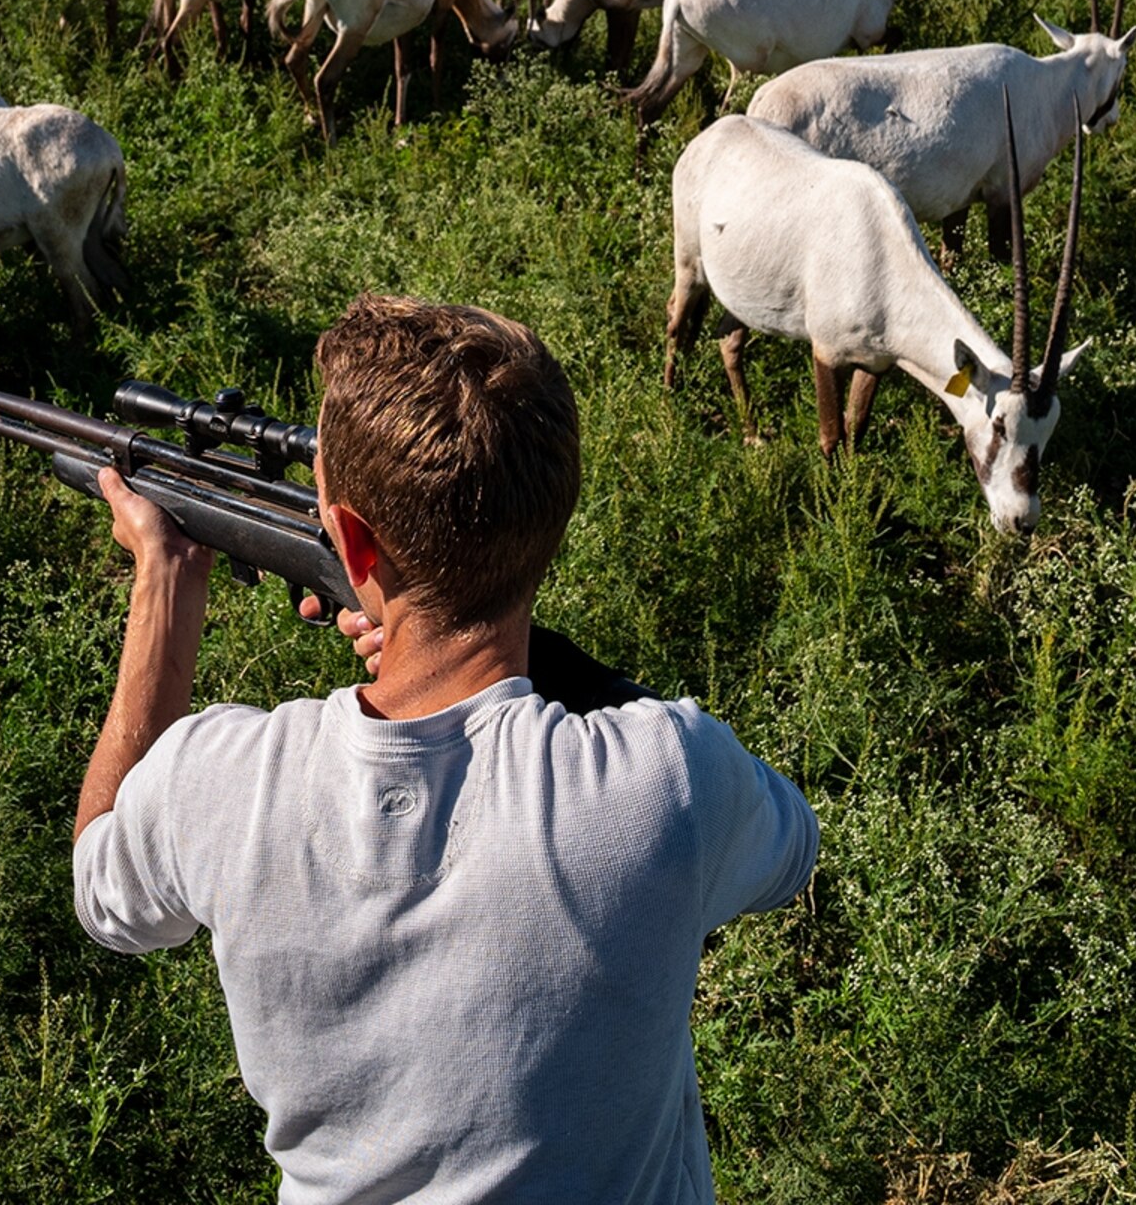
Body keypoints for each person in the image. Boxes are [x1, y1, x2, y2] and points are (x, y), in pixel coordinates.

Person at [74, 295, 817, 1204]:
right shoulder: (671, 777)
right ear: (555, 513)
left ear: (351, 543)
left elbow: (103, 889)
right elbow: (794, 848)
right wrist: (531, 666)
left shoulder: (218, 782)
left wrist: (163, 584)